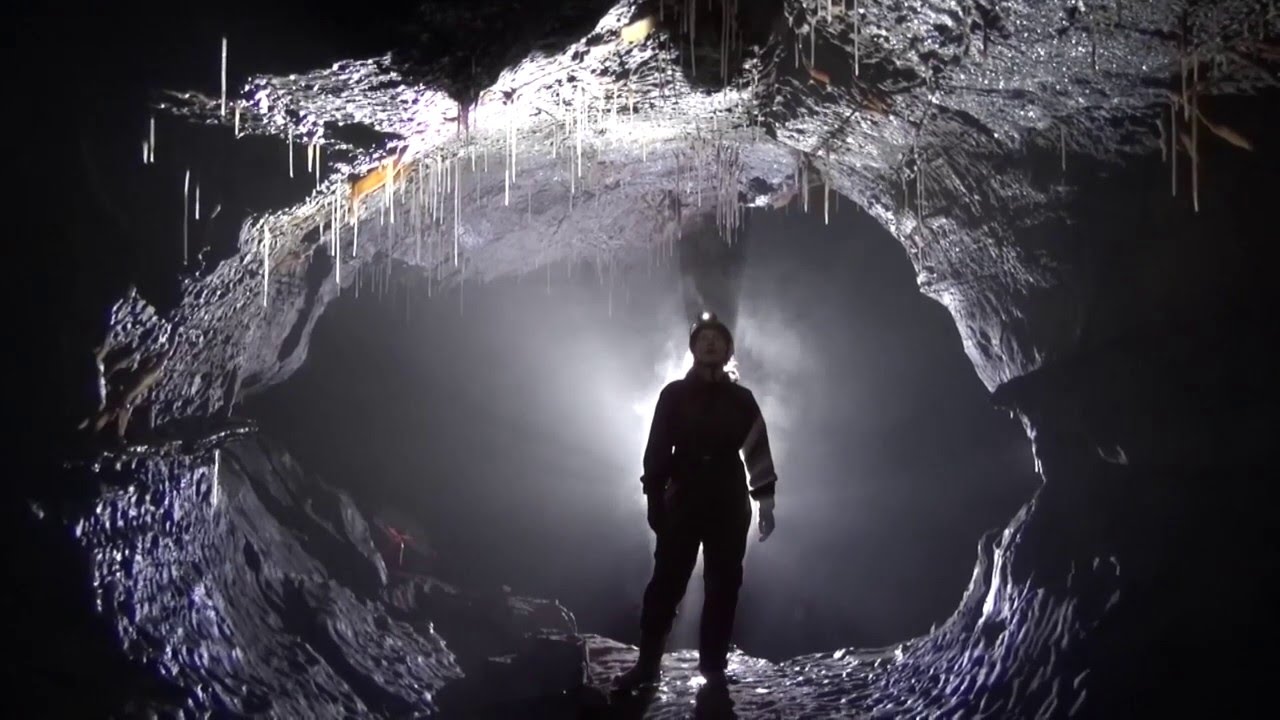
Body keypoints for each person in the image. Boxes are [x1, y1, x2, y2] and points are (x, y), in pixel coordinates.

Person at [614, 311, 778, 691]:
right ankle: (648, 664)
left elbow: (757, 452)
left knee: (723, 585)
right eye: (702, 338)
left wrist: (765, 501)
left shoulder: (742, 400)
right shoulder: (673, 394)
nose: (709, 343)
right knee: (666, 582)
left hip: (728, 497)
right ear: (693, 348)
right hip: (683, 494)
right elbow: (656, 447)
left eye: (717, 339)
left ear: (727, 350)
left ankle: (712, 670)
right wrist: (654, 496)